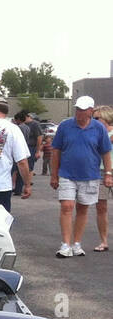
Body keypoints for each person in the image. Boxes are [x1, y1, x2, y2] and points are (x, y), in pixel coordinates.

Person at [51, 96, 113, 257]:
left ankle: (76, 243)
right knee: (67, 206)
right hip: (67, 174)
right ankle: (65, 244)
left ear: (90, 111)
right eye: (77, 109)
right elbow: (56, 151)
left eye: (83, 110)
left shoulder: (98, 128)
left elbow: (106, 152)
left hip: (90, 175)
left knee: (83, 209)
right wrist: (54, 175)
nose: (79, 112)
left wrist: (108, 173)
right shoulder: (65, 126)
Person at [92, 104, 113, 252]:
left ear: (106, 117)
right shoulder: (94, 134)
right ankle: (103, 241)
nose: (94, 120)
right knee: (101, 207)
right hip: (99, 172)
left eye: (97, 118)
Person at [12, 111, 42, 196]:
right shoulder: (27, 127)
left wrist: (37, 150)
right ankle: (21, 187)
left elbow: (39, 137)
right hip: (26, 147)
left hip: (28, 147)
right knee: (24, 168)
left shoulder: (32, 125)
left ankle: (19, 187)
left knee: (22, 168)